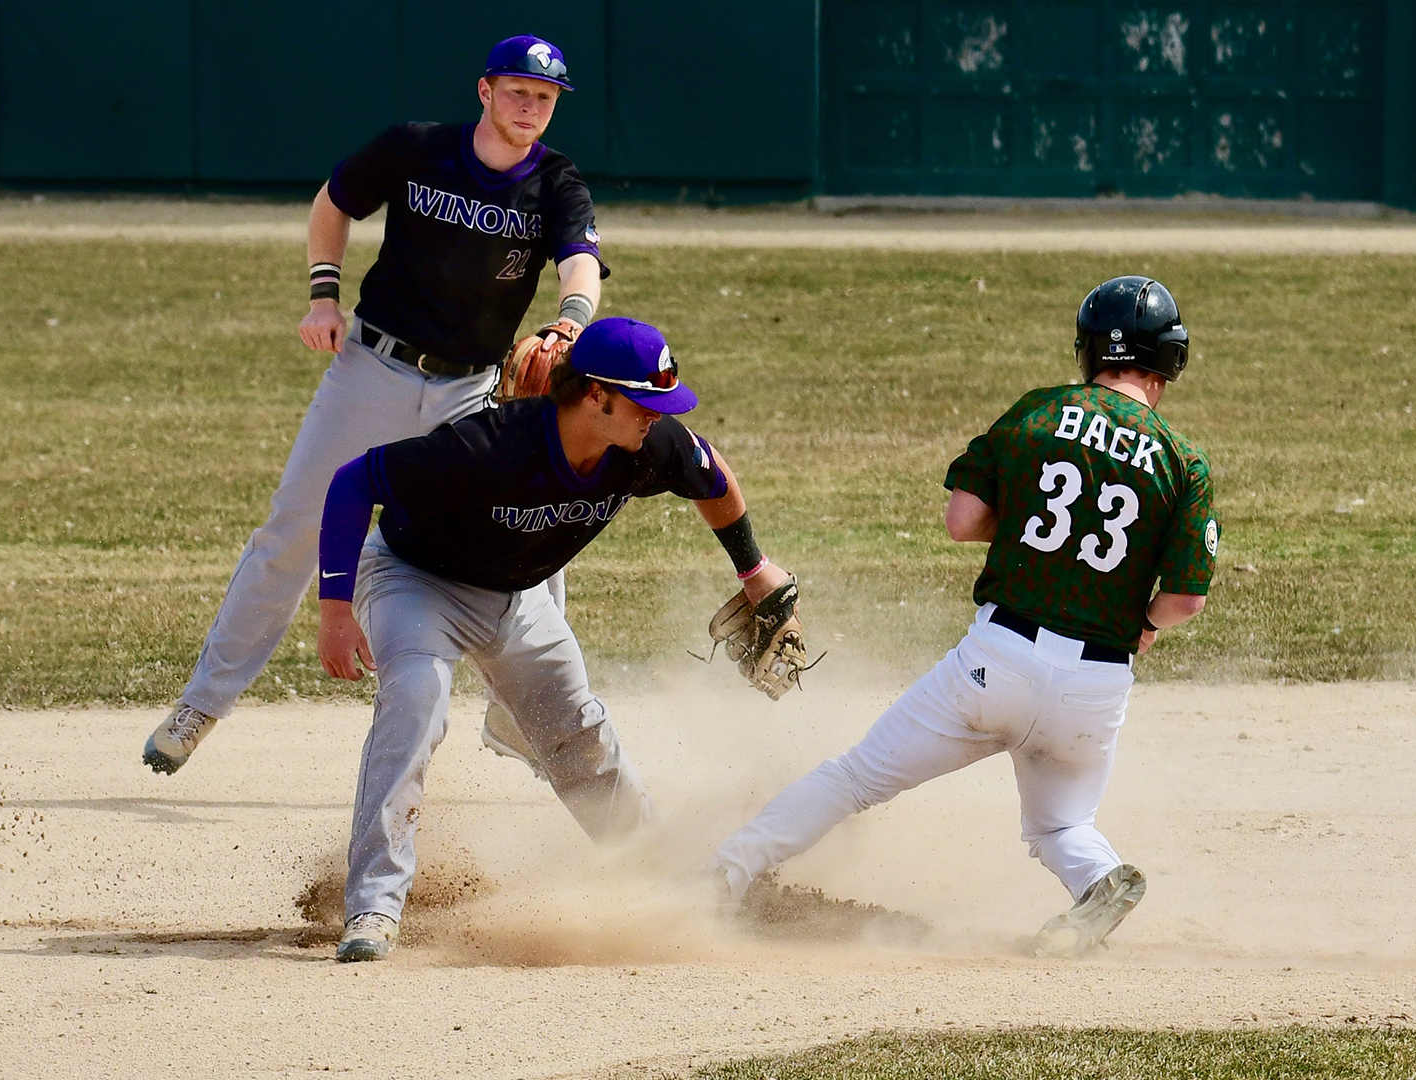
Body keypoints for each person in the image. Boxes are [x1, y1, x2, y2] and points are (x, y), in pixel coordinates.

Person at [709, 276, 1217, 958]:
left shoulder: (1040, 414)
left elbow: (962, 520)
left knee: (855, 778)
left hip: (998, 663)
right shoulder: (1184, 463)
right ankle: (1098, 880)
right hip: (1095, 689)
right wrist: (1144, 622)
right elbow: (1186, 600)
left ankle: (722, 875)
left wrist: (1032, 539)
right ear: (1170, 360)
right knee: (1062, 825)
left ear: (1089, 351)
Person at [143, 35, 608, 774]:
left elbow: (580, 261)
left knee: (525, 540)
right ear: (485, 90)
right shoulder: (416, 148)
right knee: (295, 529)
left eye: (545, 97)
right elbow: (334, 203)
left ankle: (522, 715)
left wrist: (572, 319)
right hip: (373, 368)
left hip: (470, 392)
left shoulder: (556, 182)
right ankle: (203, 701)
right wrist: (322, 294)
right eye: (518, 90)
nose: (531, 105)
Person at [315, 318, 795, 961]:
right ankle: (374, 907)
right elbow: (355, 481)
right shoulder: (489, 447)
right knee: (416, 705)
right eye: (645, 403)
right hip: (416, 581)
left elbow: (712, 477)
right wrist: (335, 612)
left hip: (514, 596)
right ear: (595, 396)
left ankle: (665, 880)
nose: (658, 417)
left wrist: (753, 568)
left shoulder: (647, 445)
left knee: (577, 732)